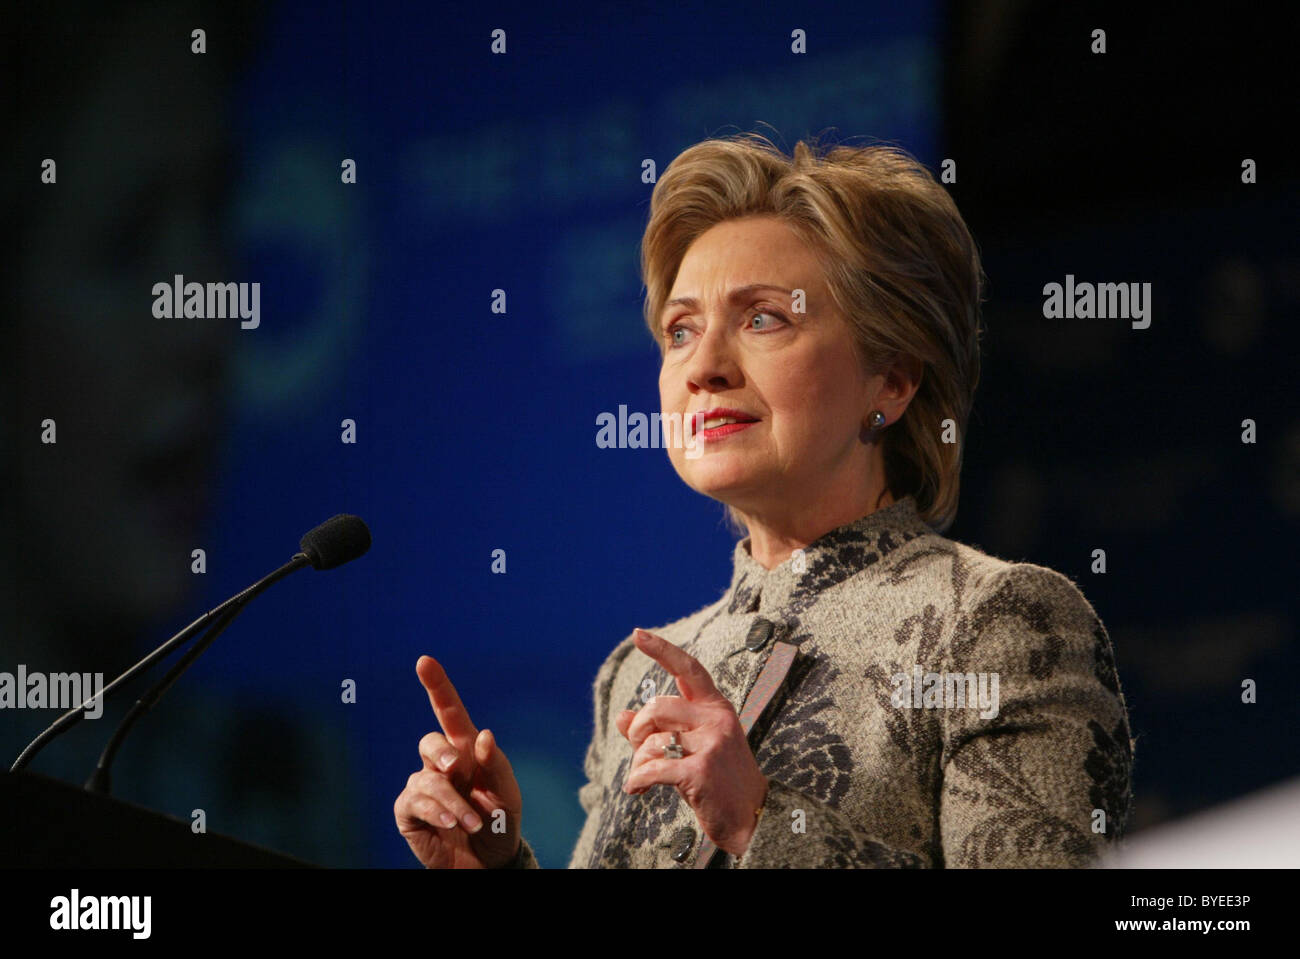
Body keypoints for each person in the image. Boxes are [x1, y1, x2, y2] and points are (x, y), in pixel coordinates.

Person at [394, 133, 1135, 868]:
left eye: (764, 319)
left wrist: (760, 824)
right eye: (680, 330)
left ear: (893, 381)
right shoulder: (637, 673)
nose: (704, 367)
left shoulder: (997, 621)